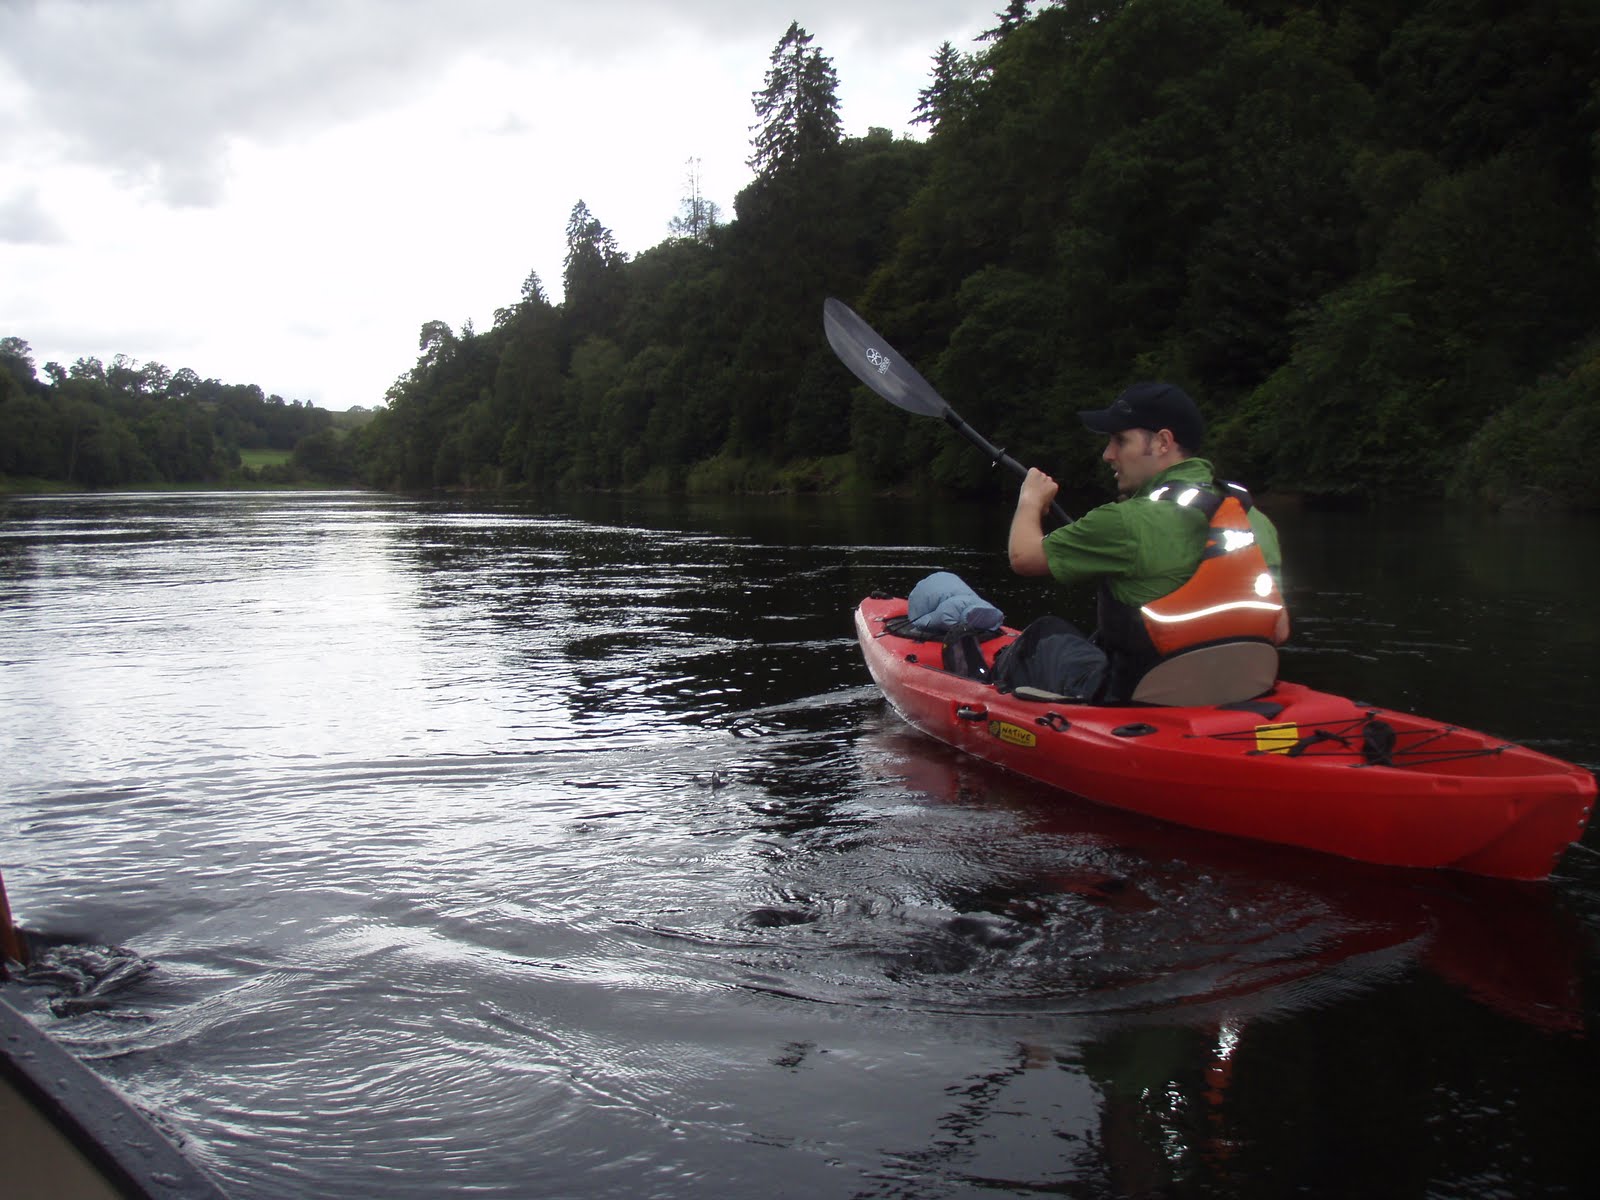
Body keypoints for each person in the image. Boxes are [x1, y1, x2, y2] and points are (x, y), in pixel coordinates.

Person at [1006, 382, 1288, 702]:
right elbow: (1279, 629)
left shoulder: (1124, 521)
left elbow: (1023, 557)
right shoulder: (1256, 519)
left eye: (1120, 440)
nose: (1107, 454)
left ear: (1162, 442)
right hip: (1242, 695)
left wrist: (1030, 500)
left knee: (1045, 635)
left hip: (1135, 701)